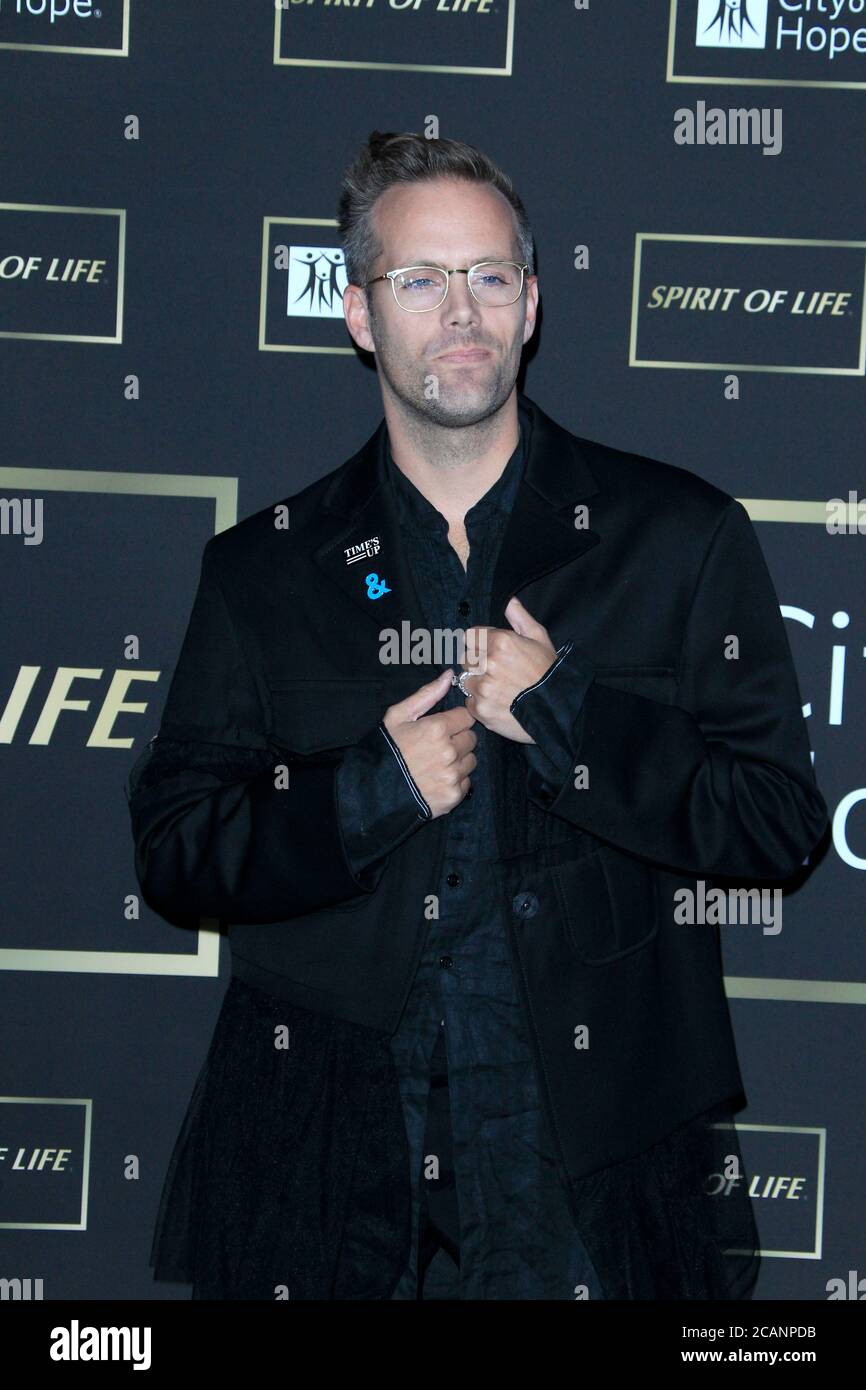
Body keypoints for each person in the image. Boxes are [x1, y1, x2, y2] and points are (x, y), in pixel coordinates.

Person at [127, 130, 829, 1300]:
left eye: (488, 276)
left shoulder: (676, 538)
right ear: (359, 316)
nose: (460, 311)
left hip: (591, 1173)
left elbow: (775, 823)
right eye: (419, 280)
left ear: (532, 302)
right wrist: (364, 792)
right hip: (327, 1170)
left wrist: (571, 717)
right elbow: (172, 849)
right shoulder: (266, 570)